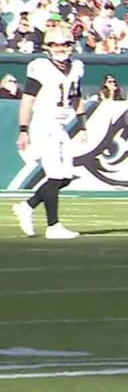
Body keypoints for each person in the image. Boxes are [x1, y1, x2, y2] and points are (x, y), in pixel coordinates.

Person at [12, 27, 84, 240]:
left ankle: (27, 205)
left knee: (66, 177)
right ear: (48, 47)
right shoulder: (40, 67)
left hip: (61, 125)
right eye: (55, 44)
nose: (60, 48)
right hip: (43, 124)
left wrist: (83, 124)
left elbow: (76, 96)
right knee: (54, 175)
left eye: (64, 44)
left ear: (71, 45)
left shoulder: (77, 67)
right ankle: (53, 226)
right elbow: (27, 100)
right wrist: (23, 130)